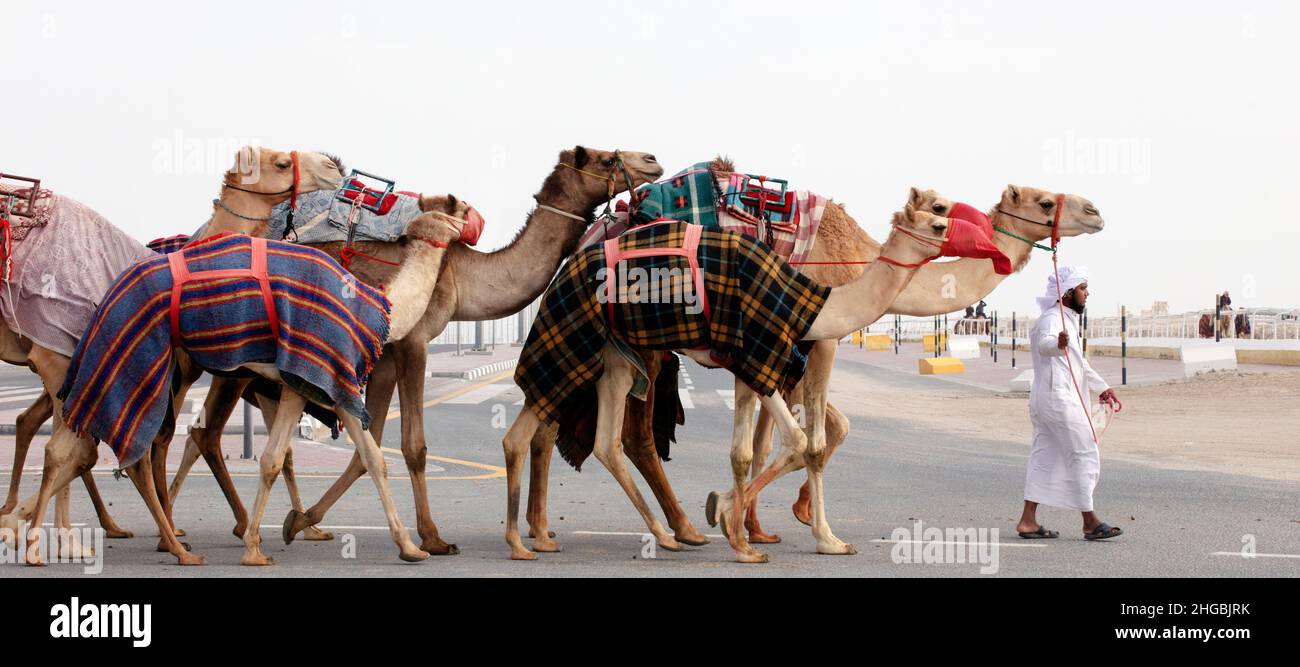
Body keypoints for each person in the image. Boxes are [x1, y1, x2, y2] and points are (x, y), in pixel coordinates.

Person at [1016, 266, 1124, 541]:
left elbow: (1080, 363)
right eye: (1082, 288)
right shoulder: (1052, 320)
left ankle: (1028, 520)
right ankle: (1089, 521)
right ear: (1066, 292)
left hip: (1045, 401)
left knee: (1044, 457)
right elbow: (1045, 344)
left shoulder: (1068, 320)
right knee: (1085, 451)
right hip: (1058, 400)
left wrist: (1103, 388)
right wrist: (1058, 344)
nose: (1087, 293)